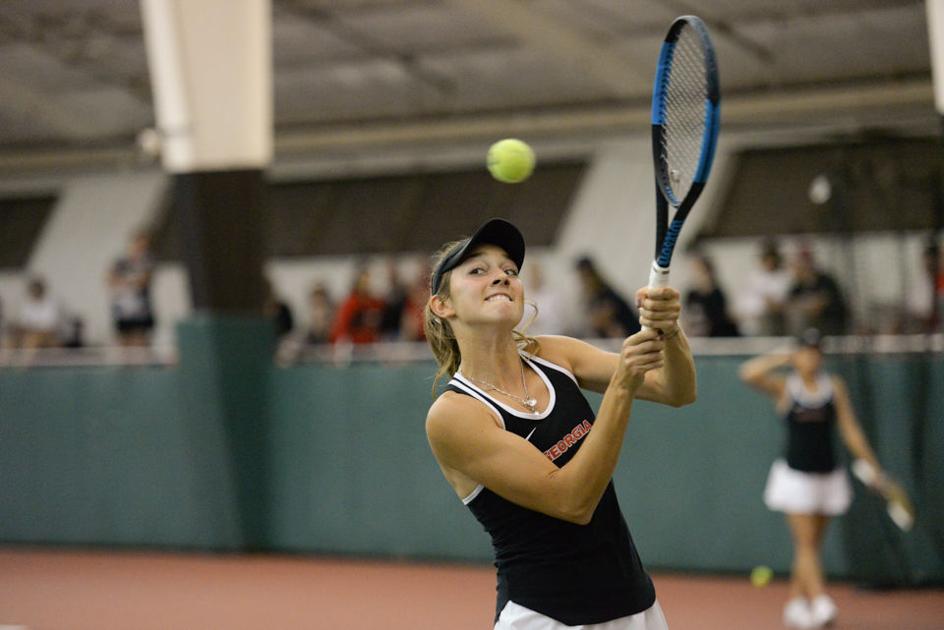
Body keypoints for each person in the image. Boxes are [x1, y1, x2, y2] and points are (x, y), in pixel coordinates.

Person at [424, 218, 695, 629]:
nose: (501, 276)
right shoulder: (455, 414)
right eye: (478, 270)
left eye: (509, 271)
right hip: (546, 618)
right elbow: (573, 501)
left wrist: (670, 330)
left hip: (636, 608)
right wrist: (622, 386)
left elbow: (676, 390)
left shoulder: (555, 354)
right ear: (442, 306)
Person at [739, 329, 889, 629]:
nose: (812, 357)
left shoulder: (833, 387)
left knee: (811, 547)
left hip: (828, 476)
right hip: (795, 478)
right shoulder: (786, 387)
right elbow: (748, 373)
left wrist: (873, 467)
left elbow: (850, 429)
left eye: (817, 351)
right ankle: (820, 601)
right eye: (806, 351)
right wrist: (783, 356)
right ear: (798, 354)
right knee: (806, 543)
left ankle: (795, 604)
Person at [107, 231, 156, 347]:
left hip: (141, 309)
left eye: (144, 246)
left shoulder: (147, 261)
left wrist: (125, 281)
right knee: (124, 341)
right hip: (123, 309)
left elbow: (144, 281)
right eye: (139, 244)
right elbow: (110, 279)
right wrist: (131, 282)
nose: (142, 248)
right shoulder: (120, 261)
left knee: (141, 340)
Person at [784, 249, 848, 336]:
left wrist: (811, 305)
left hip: (832, 322)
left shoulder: (825, 280)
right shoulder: (797, 286)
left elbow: (823, 302)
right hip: (809, 326)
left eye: (798, 268)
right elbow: (789, 302)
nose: (795, 272)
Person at [575, 256, 640, 338]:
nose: (583, 282)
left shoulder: (608, 295)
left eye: (585, 276)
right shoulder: (591, 299)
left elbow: (602, 320)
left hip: (632, 336)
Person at [739, 239, 791, 336]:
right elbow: (744, 300)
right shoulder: (753, 276)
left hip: (775, 321)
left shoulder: (784, 276)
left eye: (772, 260)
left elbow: (781, 303)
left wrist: (772, 304)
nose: (769, 263)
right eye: (767, 260)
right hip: (752, 322)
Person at [683, 254, 739, 337]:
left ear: (708, 272)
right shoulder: (691, 295)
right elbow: (688, 317)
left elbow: (722, 318)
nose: (696, 275)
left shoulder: (717, 294)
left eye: (699, 270)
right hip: (698, 337)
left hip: (717, 336)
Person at [329, 267, 384, 345]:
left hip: (371, 345)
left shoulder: (375, 303)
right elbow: (343, 327)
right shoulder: (350, 303)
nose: (366, 285)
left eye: (368, 282)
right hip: (355, 346)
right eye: (364, 282)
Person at [17, 276, 63, 349]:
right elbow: (23, 323)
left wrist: (35, 329)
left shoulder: (51, 303)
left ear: (42, 290)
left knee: (32, 341)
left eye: (37, 290)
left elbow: (50, 325)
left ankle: (25, 360)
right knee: (9, 341)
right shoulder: (27, 304)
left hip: (47, 334)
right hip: (30, 333)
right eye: (33, 290)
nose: (35, 292)